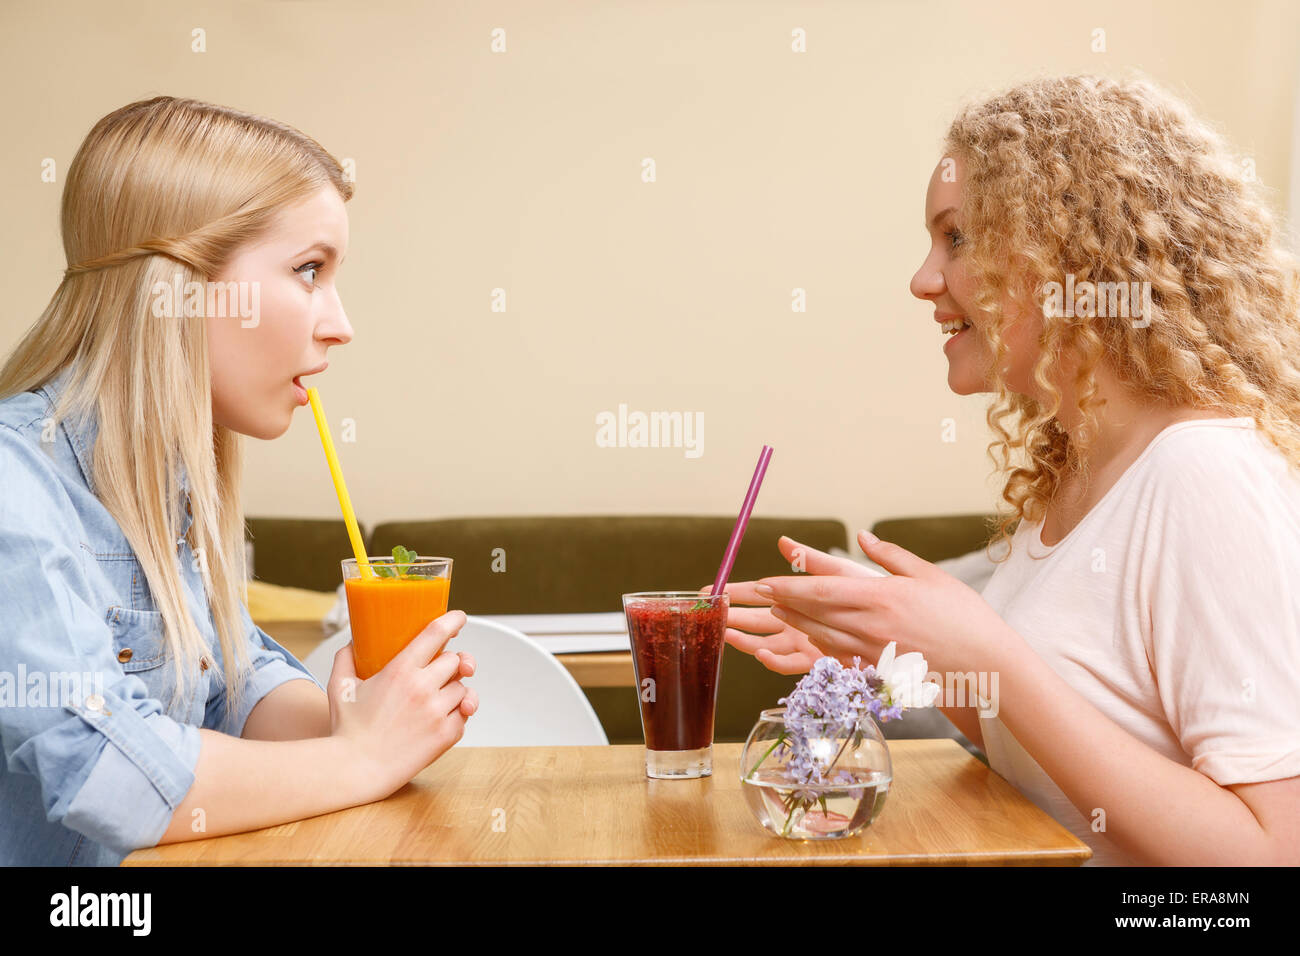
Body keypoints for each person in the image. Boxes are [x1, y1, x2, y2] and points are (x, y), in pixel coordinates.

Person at [720, 74, 1300, 865]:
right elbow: (1055, 753)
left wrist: (988, 652)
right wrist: (915, 663)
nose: (924, 279)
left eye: (955, 237)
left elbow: (1267, 861)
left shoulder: (1204, 475)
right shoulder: (1077, 474)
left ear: (1066, 257)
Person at [0, 97, 479, 866]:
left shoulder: (163, 487)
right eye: (309, 270)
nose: (340, 323)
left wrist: (365, 717)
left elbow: (229, 687)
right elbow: (105, 773)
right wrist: (358, 759)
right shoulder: (13, 486)